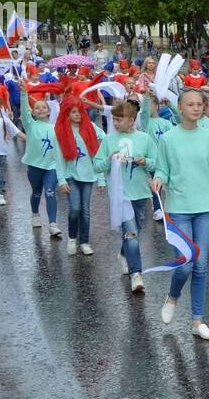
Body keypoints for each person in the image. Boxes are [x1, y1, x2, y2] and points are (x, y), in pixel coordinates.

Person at [150, 90, 209, 340]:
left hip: (204, 209)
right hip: (179, 208)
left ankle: (197, 321)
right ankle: (173, 296)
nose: (196, 108)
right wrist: (159, 179)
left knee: (201, 265)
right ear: (180, 108)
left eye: (199, 104)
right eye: (190, 104)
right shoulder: (169, 139)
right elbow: (162, 167)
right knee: (185, 264)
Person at [94, 98, 157, 292]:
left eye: (120, 119)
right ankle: (136, 274)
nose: (116, 123)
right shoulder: (109, 140)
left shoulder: (145, 139)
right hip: (121, 196)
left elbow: (156, 163)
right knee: (131, 233)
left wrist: (144, 161)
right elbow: (97, 165)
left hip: (140, 193)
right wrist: (109, 159)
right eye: (114, 119)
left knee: (135, 231)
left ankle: (124, 254)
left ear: (131, 120)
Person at [55, 95, 102, 255]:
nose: (77, 115)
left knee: (85, 210)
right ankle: (72, 238)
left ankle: (85, 241)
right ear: (66, 113)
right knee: (75, 208)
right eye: (73, 112)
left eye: (79, 111)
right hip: (71, 176)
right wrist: (61, 180)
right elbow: (58, 158)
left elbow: (105, 142)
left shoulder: (91, 127)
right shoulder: (61, 132)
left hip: (88, 176)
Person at [17, 79, 63, 237]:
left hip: (51, 166)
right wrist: (24, 92)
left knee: (50, 192)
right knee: (36, 192)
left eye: (44, 107)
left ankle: (53, 224)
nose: (41, 109)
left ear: (49, 111)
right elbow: (24, 110)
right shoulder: (30, 124)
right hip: (35, 165)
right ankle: (35, 213)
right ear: (33, 112)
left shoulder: (54, 128)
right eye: (37, 108)